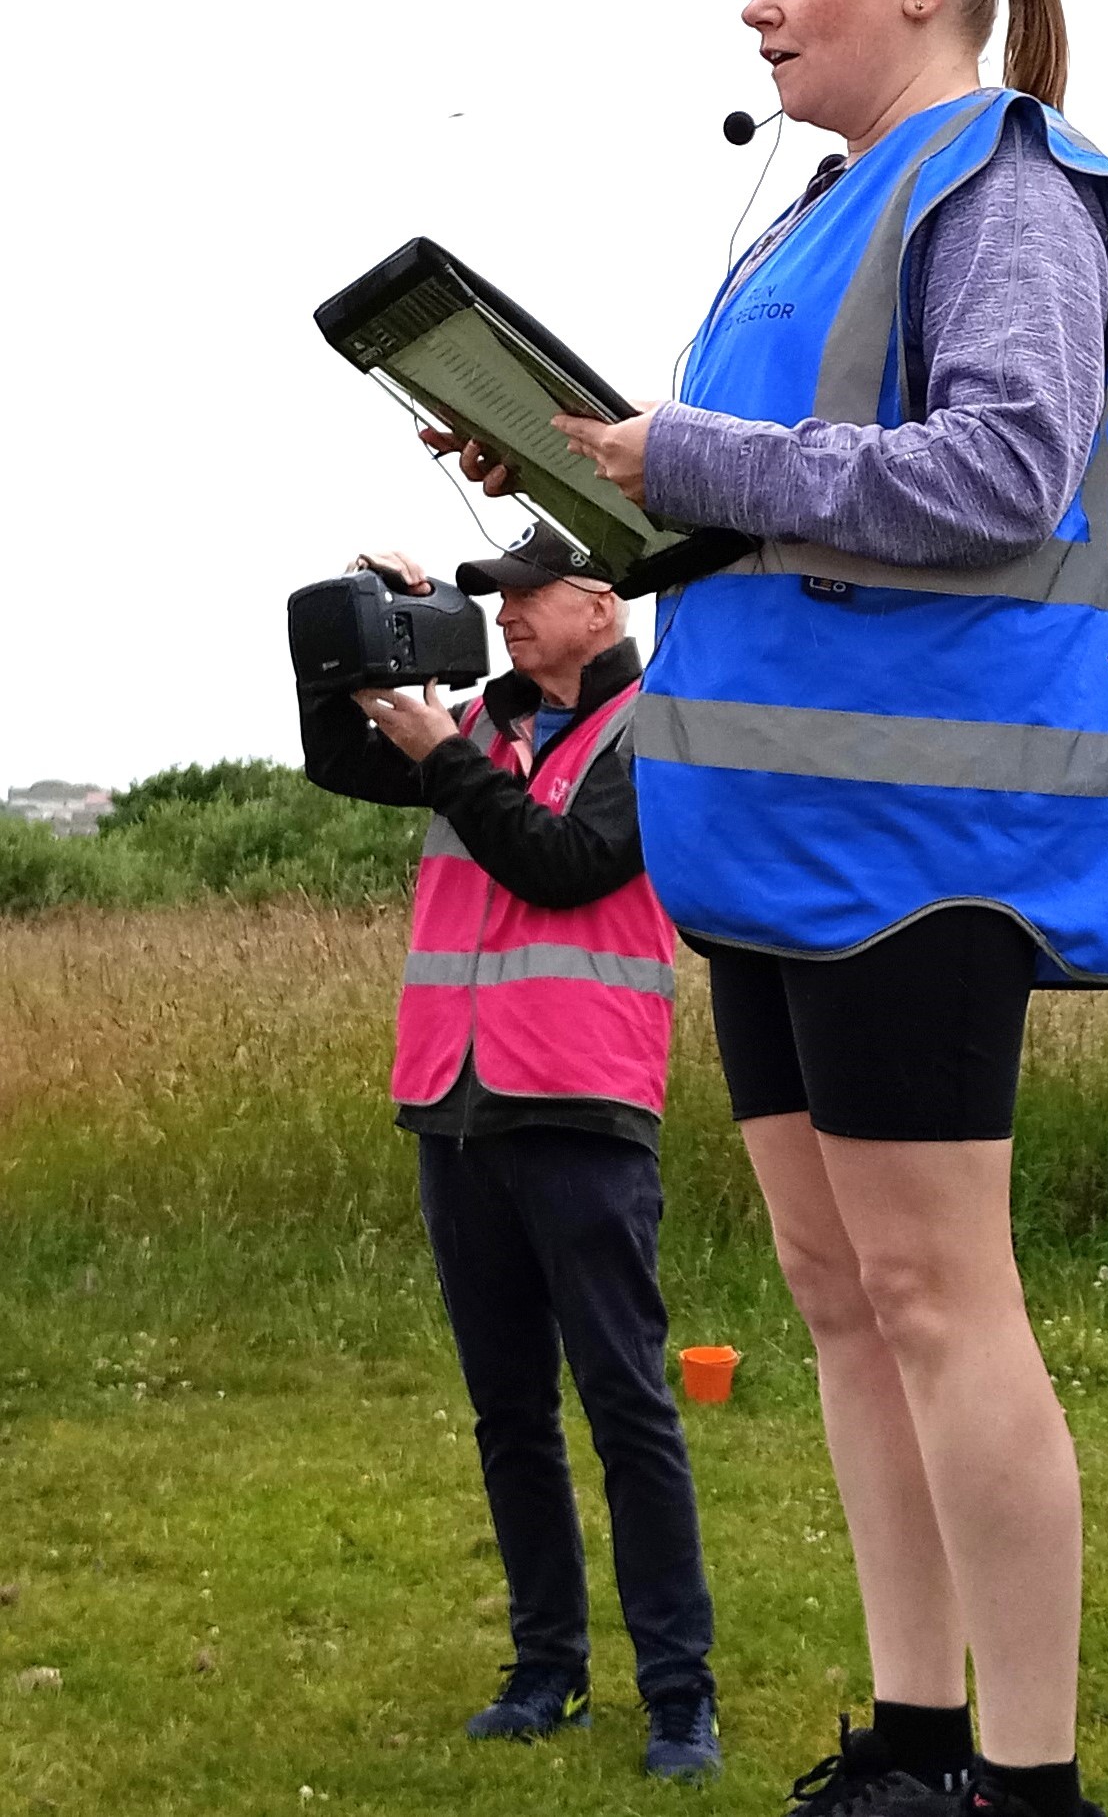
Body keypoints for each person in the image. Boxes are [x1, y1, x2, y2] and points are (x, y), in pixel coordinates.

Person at [450, 0, 1108, 1817]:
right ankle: (911, 1738)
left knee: (939, 1294)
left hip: (920, 839)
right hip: (767, 830)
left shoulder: (1001, 182)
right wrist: (584, 463)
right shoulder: (815, 221)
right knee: (842, 1294)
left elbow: (999, 469)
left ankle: (1022, 1782)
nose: (753, 3)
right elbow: (751, 505)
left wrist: (683, 450)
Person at [297, 523, 721, 1782]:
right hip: (455, 1107)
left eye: (528, 592)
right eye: (494, 597)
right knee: (508, 1414)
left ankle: (676, 1697)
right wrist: (362, 644)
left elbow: (566, 863)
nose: (509, 612)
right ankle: (546, 1670)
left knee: (628, 1409)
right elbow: (334, 761)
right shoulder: (473, 727)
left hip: (583, 1106)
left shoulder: (656, 726)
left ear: (602, 603)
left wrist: (444, 759)